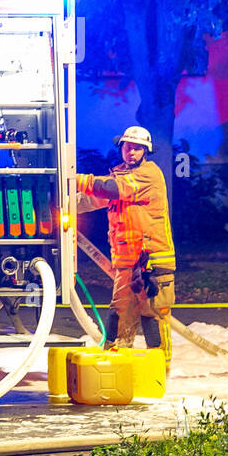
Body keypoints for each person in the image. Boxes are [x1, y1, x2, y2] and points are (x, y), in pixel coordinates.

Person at [75, 126, 177, 370]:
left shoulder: (147, 175)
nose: (131, 151)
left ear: (146, 151)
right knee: (120, 314)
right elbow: (94, 199)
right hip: (126, 263)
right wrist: (62, 204)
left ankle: (159, 370)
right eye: (128, 146)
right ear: (121, 147)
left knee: (152, 314)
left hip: (152, 260)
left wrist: (73, 179)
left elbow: (111, 189)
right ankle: (114, 366)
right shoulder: (120, 174)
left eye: (137, 148)